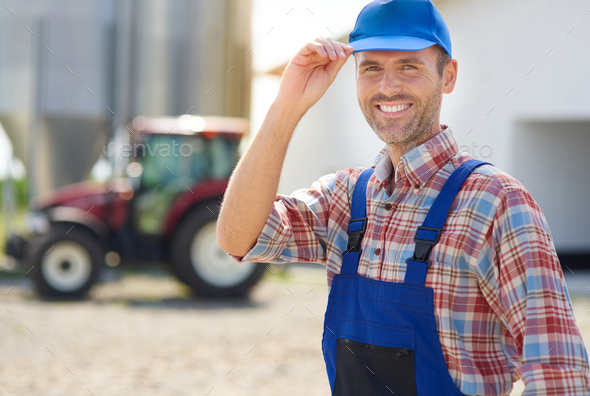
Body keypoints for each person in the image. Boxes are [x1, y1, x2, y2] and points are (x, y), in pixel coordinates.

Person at [217, 0, 590, 394]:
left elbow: (558, 372)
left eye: (408, 66)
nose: (387, 86)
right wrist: (285, 108)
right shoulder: (344, 199)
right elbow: (239, 238)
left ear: (448, 75)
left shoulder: (496, 203)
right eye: (372, 68)